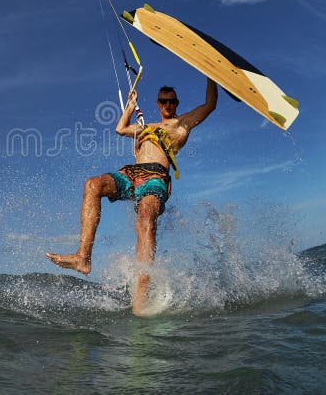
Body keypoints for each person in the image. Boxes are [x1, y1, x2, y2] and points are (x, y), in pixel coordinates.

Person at [46, 78, 218, 315]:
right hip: (132, 173)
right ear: (158, 103)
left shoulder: (182, 124)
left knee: (145, 219)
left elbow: (210, 105)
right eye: (163, 100)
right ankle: (82, 257)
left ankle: (141, 296)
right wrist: (130, 104)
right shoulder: (146, 127)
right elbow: (120, 128)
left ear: (177, 103)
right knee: (92, 184)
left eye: (171, 101)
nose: (167, 104)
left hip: (156, 177)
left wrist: (210, 75)